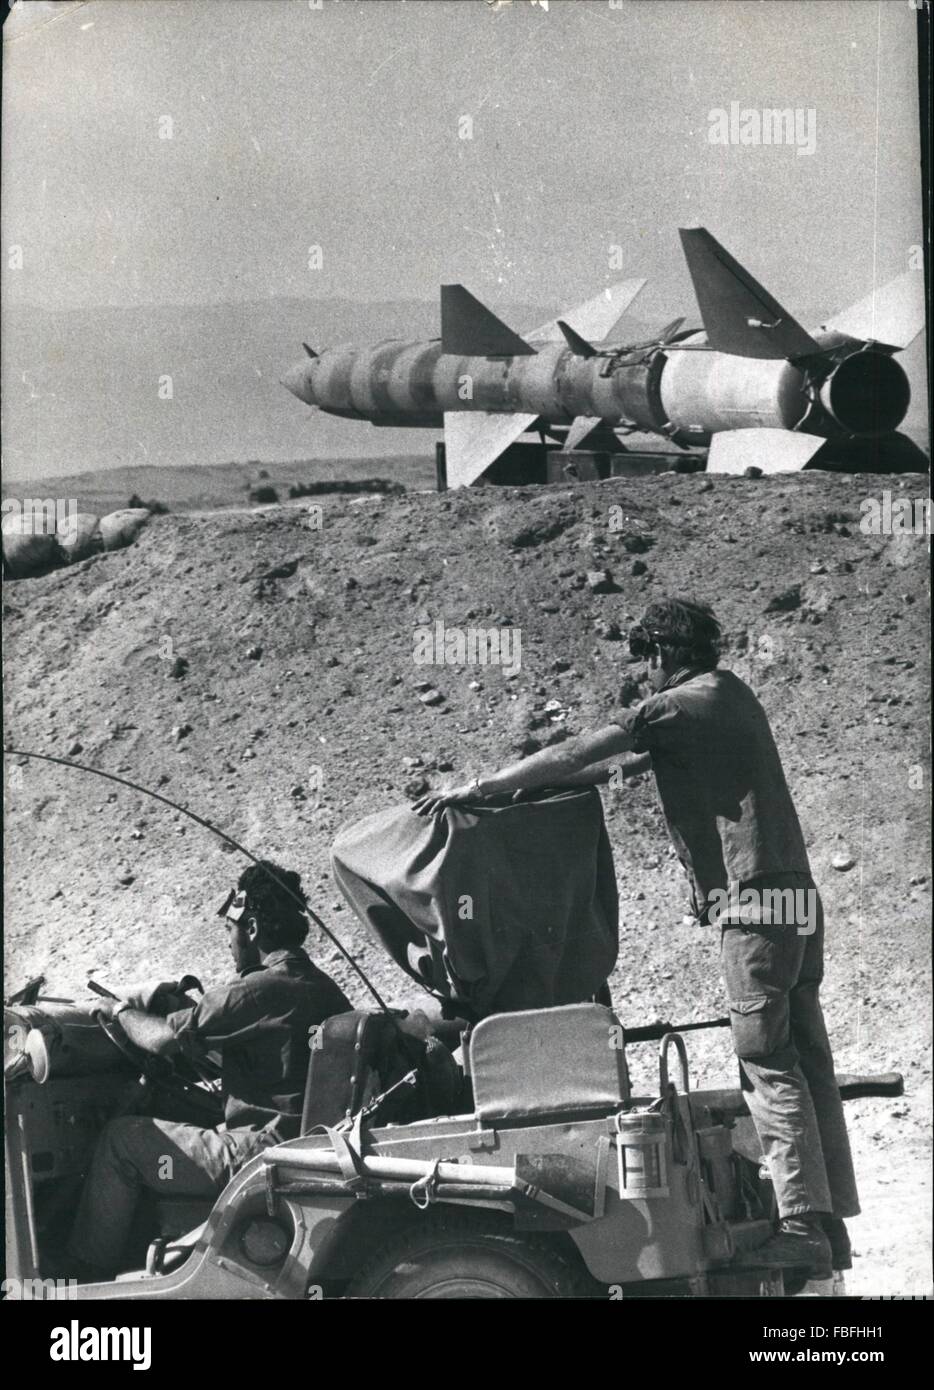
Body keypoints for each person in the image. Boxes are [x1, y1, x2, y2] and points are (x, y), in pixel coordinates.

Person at [414, 595, 858, 1285]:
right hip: (795, 895)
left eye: (643, 659)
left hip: (755, 898)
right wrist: (527, 790)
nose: (640, 675)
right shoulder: (728, 695)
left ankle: (800, 1228)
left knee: (766, 1059)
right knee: (806, 1056)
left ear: (663, 652)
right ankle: (828, 1225)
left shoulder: (677, 704)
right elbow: (613, 770)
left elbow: (582, 749)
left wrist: (479, 787)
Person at [67, 860, 351, 1278]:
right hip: (301, 1141)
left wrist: (120, 1010)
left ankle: (81, 1277)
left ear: (251, 927)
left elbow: (161, 1039)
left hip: (260, 1151)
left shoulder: (253, 991)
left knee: (120, 1140)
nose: (228, 941)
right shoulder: (322, 987)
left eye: (229, 929)